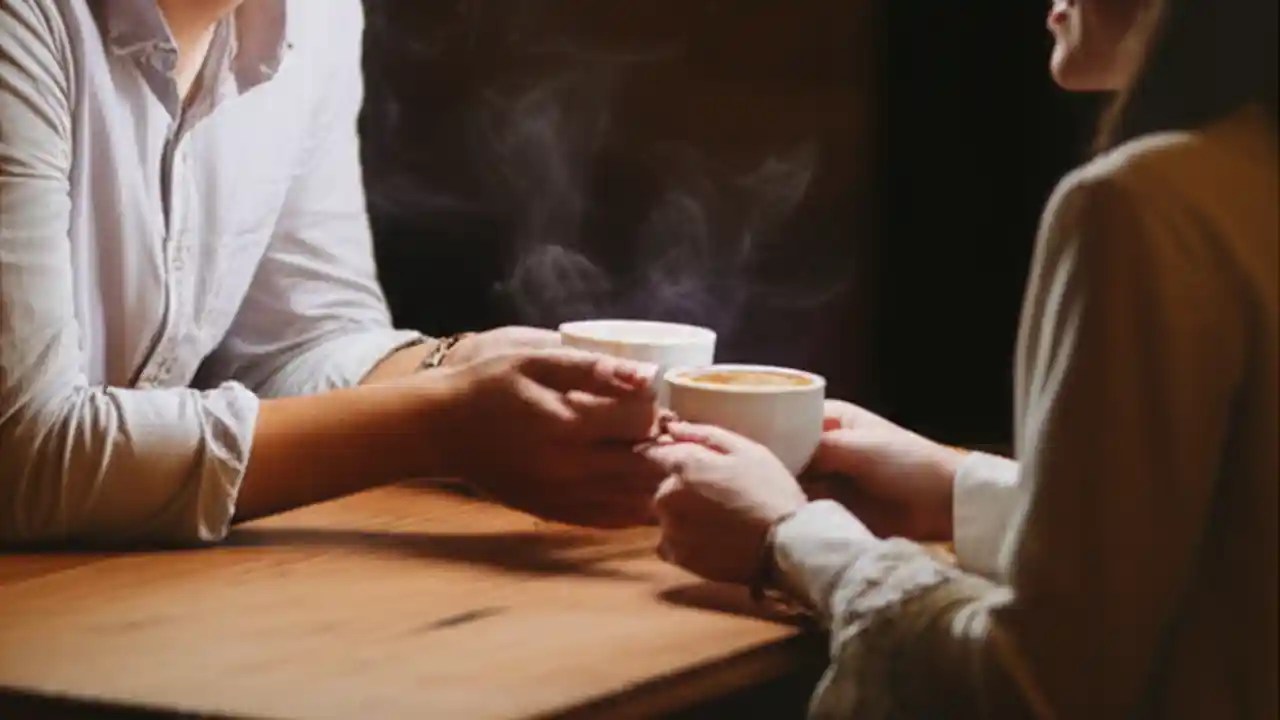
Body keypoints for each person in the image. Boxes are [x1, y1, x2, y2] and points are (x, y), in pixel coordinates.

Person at [644, 0, 1278, 716]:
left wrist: (786, 538)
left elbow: (1038, 686)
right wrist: (954, 490)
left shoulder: (1145, 206)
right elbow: (1231, 568)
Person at [0, 0, 663, 545]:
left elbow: (298, 344)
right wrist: (439, 424)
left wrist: (457, 367)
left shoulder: (314, 15)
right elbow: (20, 458)